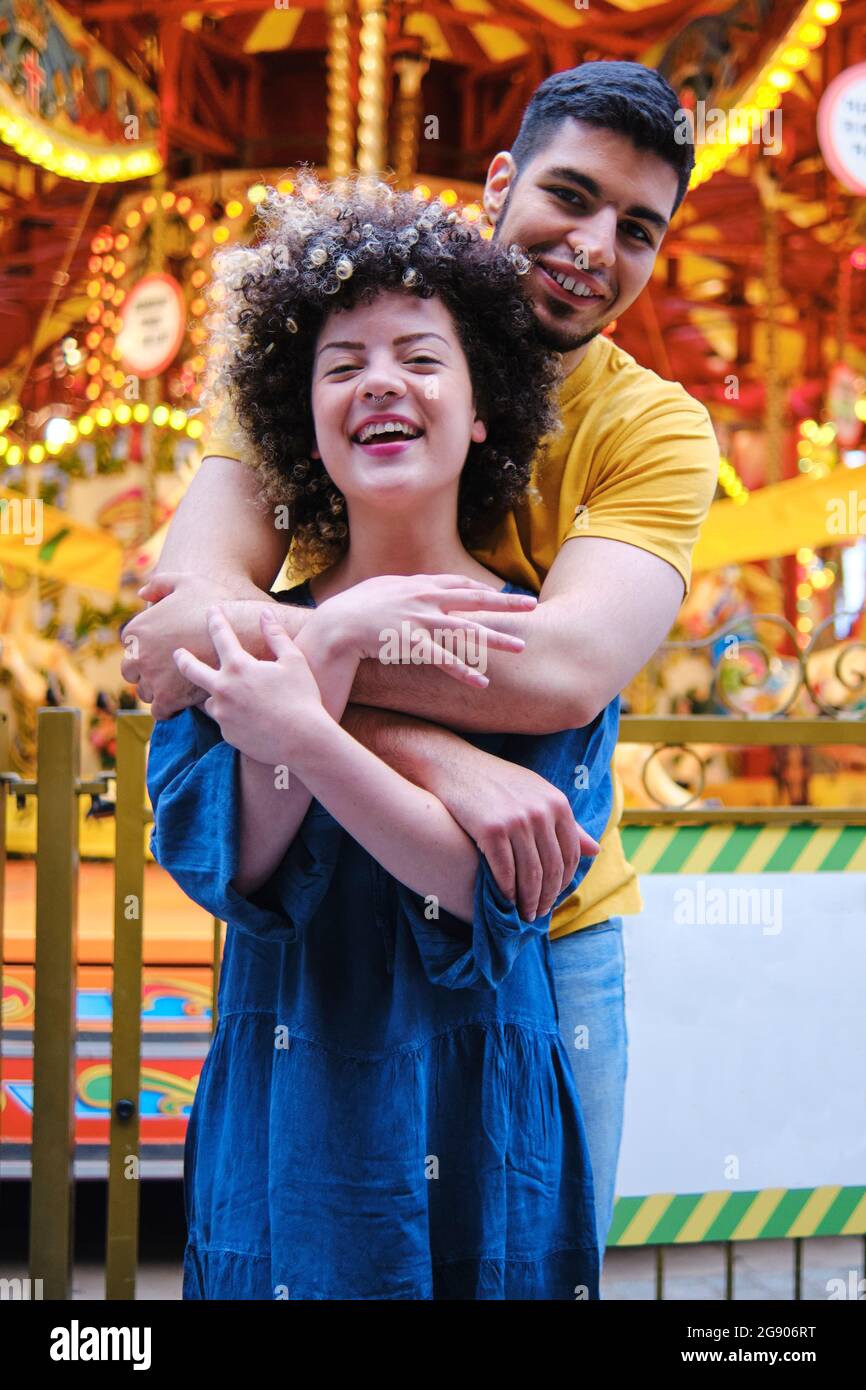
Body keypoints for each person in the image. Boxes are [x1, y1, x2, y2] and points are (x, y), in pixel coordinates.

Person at [124, 61, 720, 1261]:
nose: (593, 247)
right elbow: (176, 626)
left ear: (486, 412)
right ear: (499, 180)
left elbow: (556, 676)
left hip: (534, 931)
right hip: (315, 939)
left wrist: (308, 684)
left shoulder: (649, 425)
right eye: (570, 194)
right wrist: (421, 734)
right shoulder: (327, 347)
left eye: (638, 229)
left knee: (503, 1238)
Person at [147, 176, 619, 1299]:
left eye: (419, 355)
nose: (380, 385)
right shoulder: (232, 629)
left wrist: (309, 717)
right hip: (289, 1087)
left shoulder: (533, 639)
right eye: (341, 365)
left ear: (482, 402)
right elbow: (235, 864)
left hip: (477, 1105)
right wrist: (333, 636)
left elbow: (484, 887)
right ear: (299, 420)